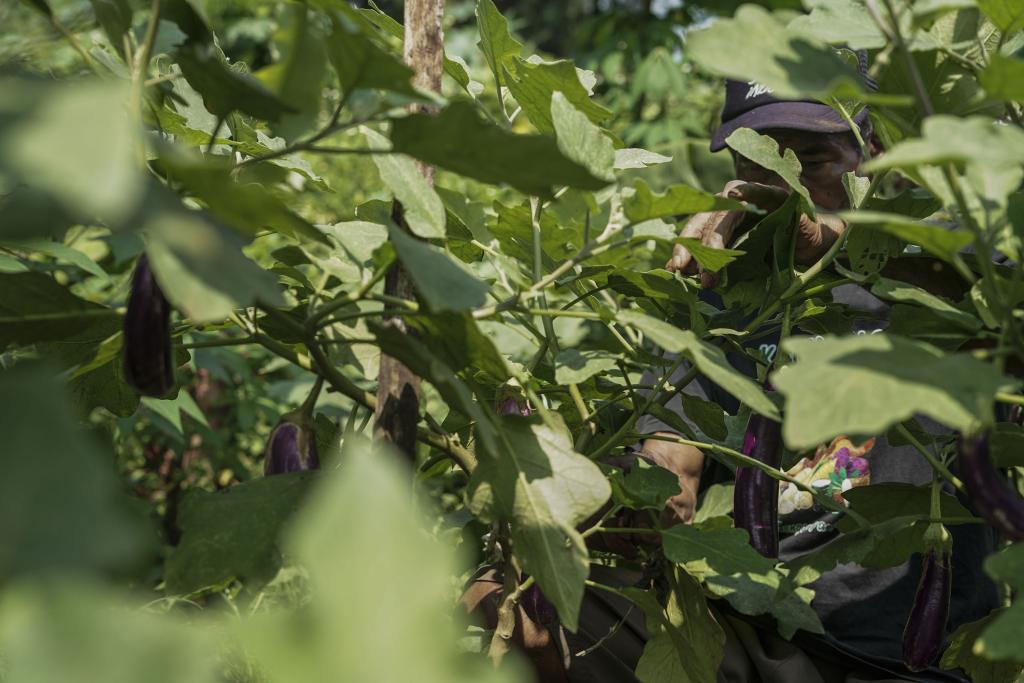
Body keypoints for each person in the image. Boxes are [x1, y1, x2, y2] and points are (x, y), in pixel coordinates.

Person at [461, 60, 1001, 683]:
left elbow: (999, 304)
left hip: (909, 651)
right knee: (501, 605)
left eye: (810, 160)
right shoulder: (716, 298)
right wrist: (620, 500)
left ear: (873, 151)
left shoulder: (941, 259)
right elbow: (671, 465)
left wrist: (833, 242)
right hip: (754, 633)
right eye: (758, 164)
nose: (783, 185)